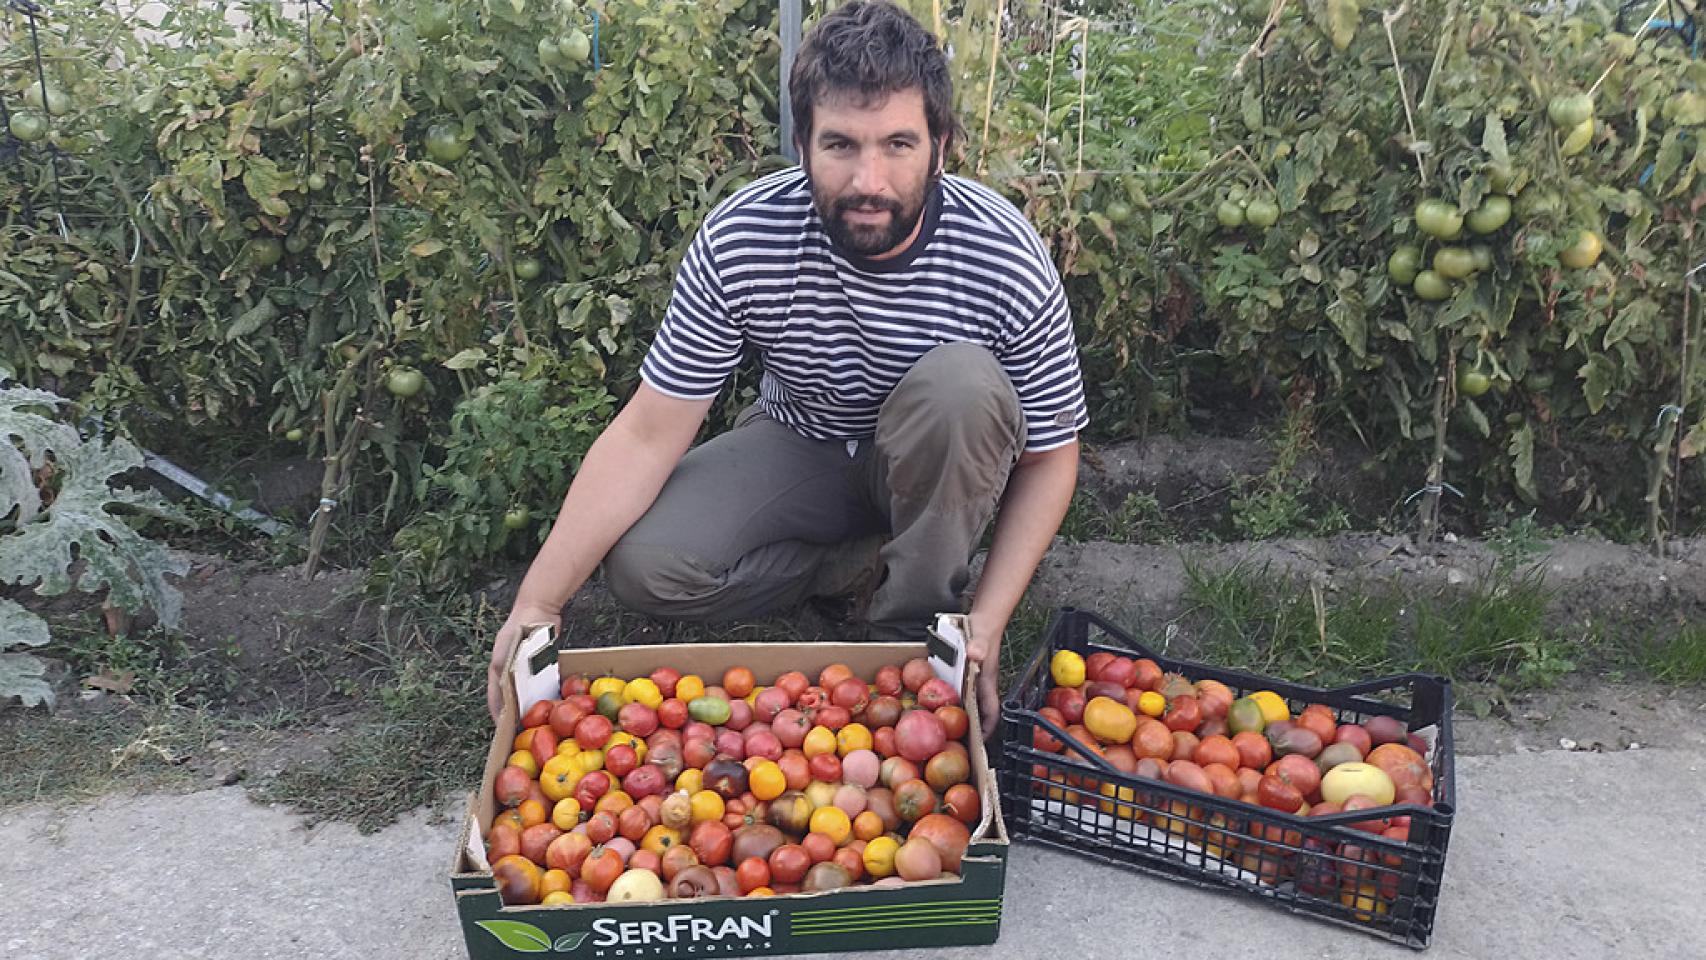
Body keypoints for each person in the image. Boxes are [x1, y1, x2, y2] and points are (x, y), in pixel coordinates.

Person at [486, 0, 1086, 737]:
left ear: (941, 147)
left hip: (936, 458)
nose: (869, 179)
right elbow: (648, 432)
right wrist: (539, 601)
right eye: (840, 145)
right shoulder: (745, 236)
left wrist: (988, 622)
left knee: (962, 387)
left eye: (898, 144)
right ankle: (857, 568)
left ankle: (916, 629)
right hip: (803, 438)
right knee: (649, 565)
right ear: (801, 144)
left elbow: (1051, 459)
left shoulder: (1001, 253)